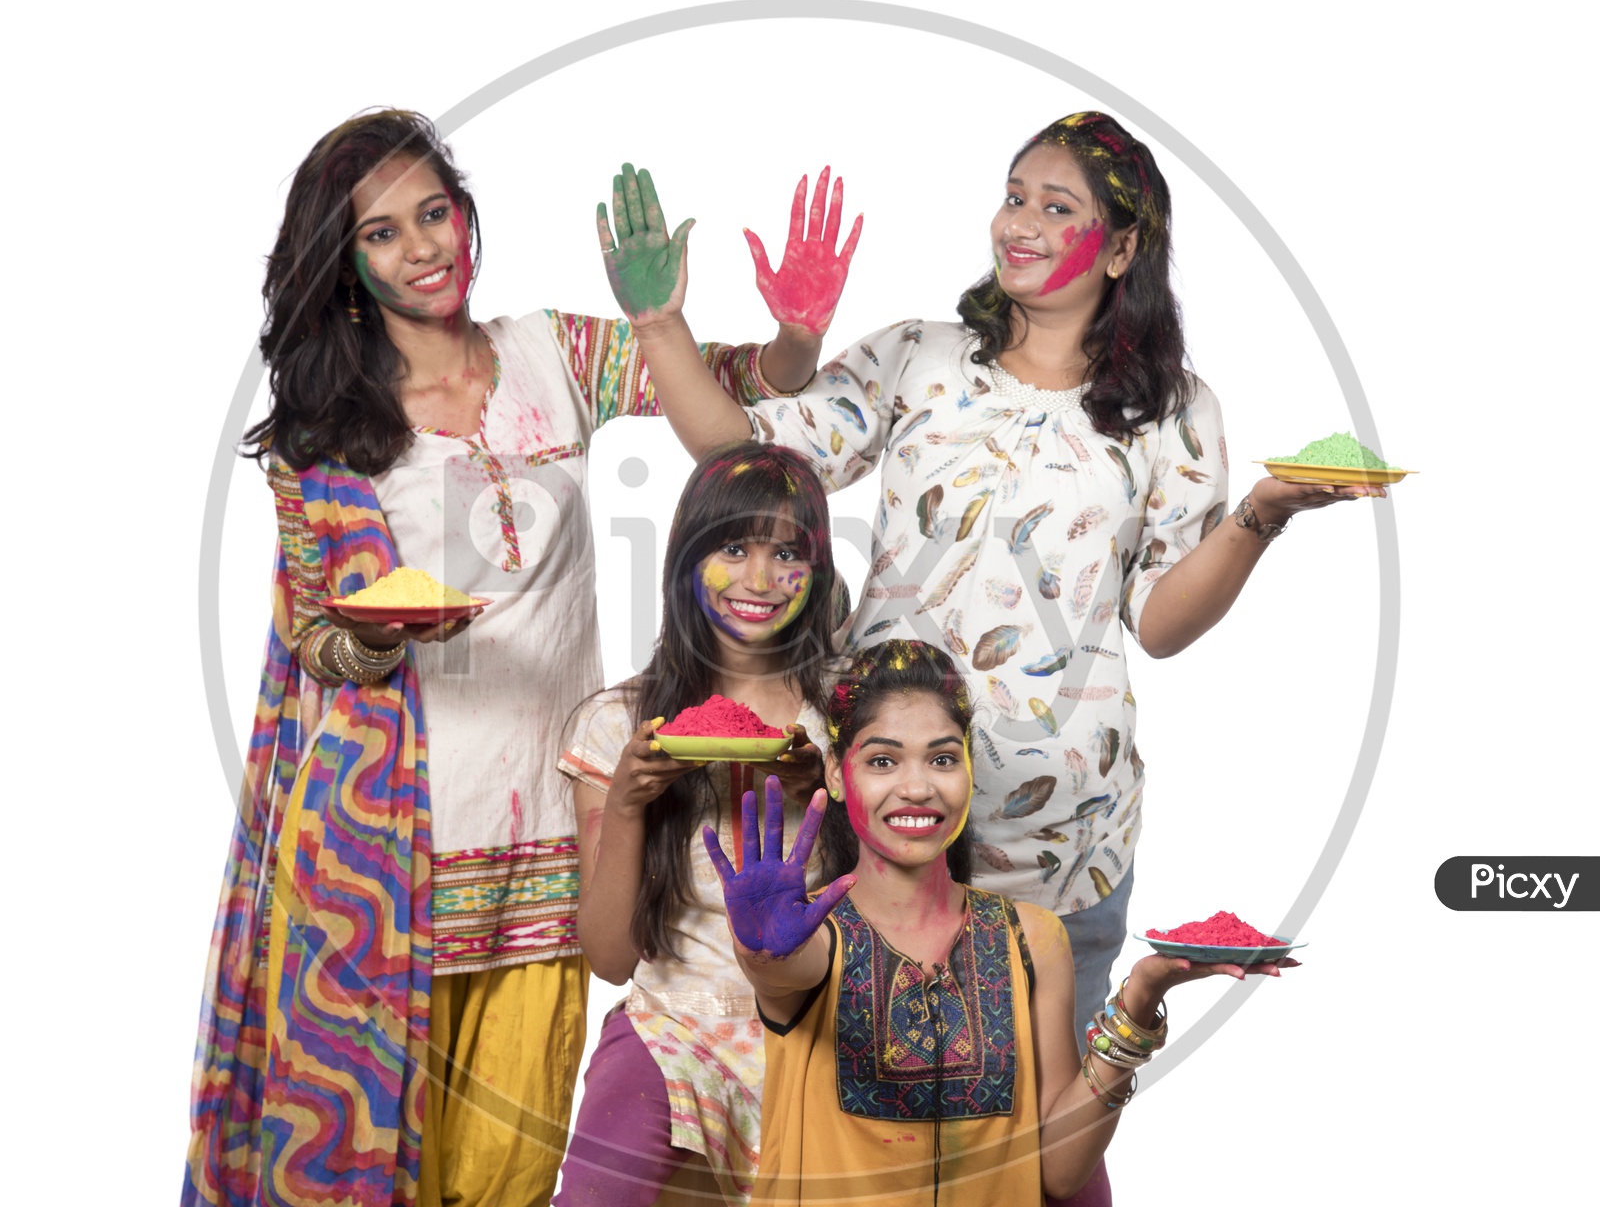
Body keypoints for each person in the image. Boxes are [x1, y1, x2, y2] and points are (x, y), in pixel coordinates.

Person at [598, 112, 1381, 1043]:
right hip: (878, 823)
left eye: (1058, 207)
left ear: (1122, 248)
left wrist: (1262, 514)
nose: (1022, 223)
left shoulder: (1173, 412)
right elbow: (745, 457)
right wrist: (661, 326)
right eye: (1015, 197)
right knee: (872, 1111)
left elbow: (1162, 622)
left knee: (1040, 1121)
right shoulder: (917, 357)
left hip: (1063, 846)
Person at [183, 111, 844, 1207]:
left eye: (435, 213)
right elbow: (315, 638)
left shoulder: (551, 352)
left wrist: (779, 338)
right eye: (384, 233)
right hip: (384, 856)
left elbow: (734, 418)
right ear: (346, 266)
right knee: (364, 1167)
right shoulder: (324, 432)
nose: (424, 248)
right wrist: (375, 635)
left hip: (552, 841)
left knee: (511, 1174)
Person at [706, 641, 1293, 1205]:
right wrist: (763, 955)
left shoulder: (1031, 939)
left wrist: (1140, 998)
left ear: (968, 768)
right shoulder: (812, 935)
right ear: (836, 774)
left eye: (942, 759)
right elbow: (784, 970)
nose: (917, 787)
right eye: (882, 761)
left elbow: (1061, 1171)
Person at [554, 441, 842, 1204]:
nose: (760, 579)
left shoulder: (852, 718)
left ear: (819, 570)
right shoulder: (618, 721)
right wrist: (626, 804)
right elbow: (610, 958)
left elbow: (906, 904)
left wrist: (831, 795)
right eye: (733, 548)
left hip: (823, 1017)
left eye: (787, 553)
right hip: (672, 1024)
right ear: (687, 559)